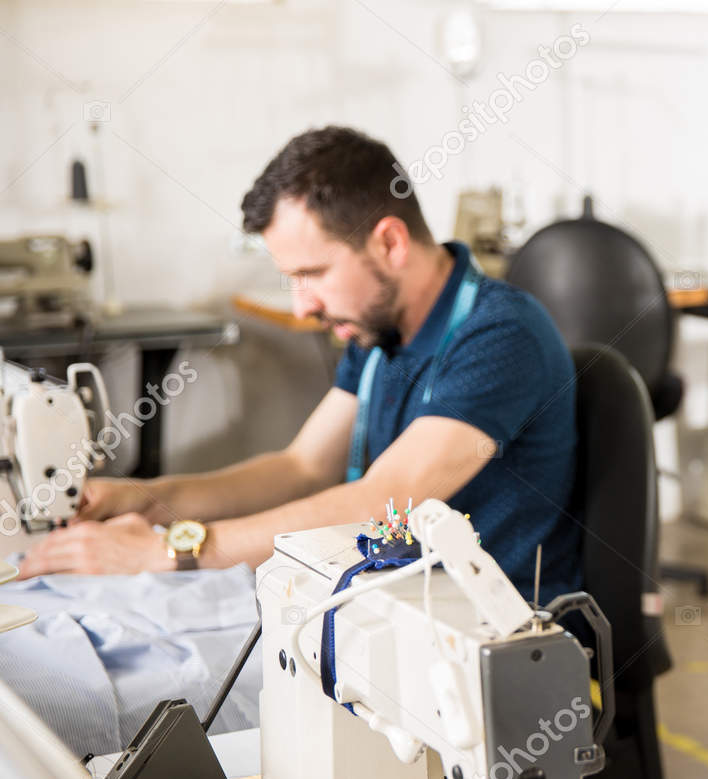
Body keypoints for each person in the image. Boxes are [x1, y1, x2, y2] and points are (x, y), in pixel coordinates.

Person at [17, 126, 581, 603]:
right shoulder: (380, 330)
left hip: (479, 639)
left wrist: (175, 550)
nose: (302, 306)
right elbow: (301, 468)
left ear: (389, 243)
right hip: (387, 604)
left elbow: (382, 502)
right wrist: (146, 498)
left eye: (312, 274)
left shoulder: (500, 335)